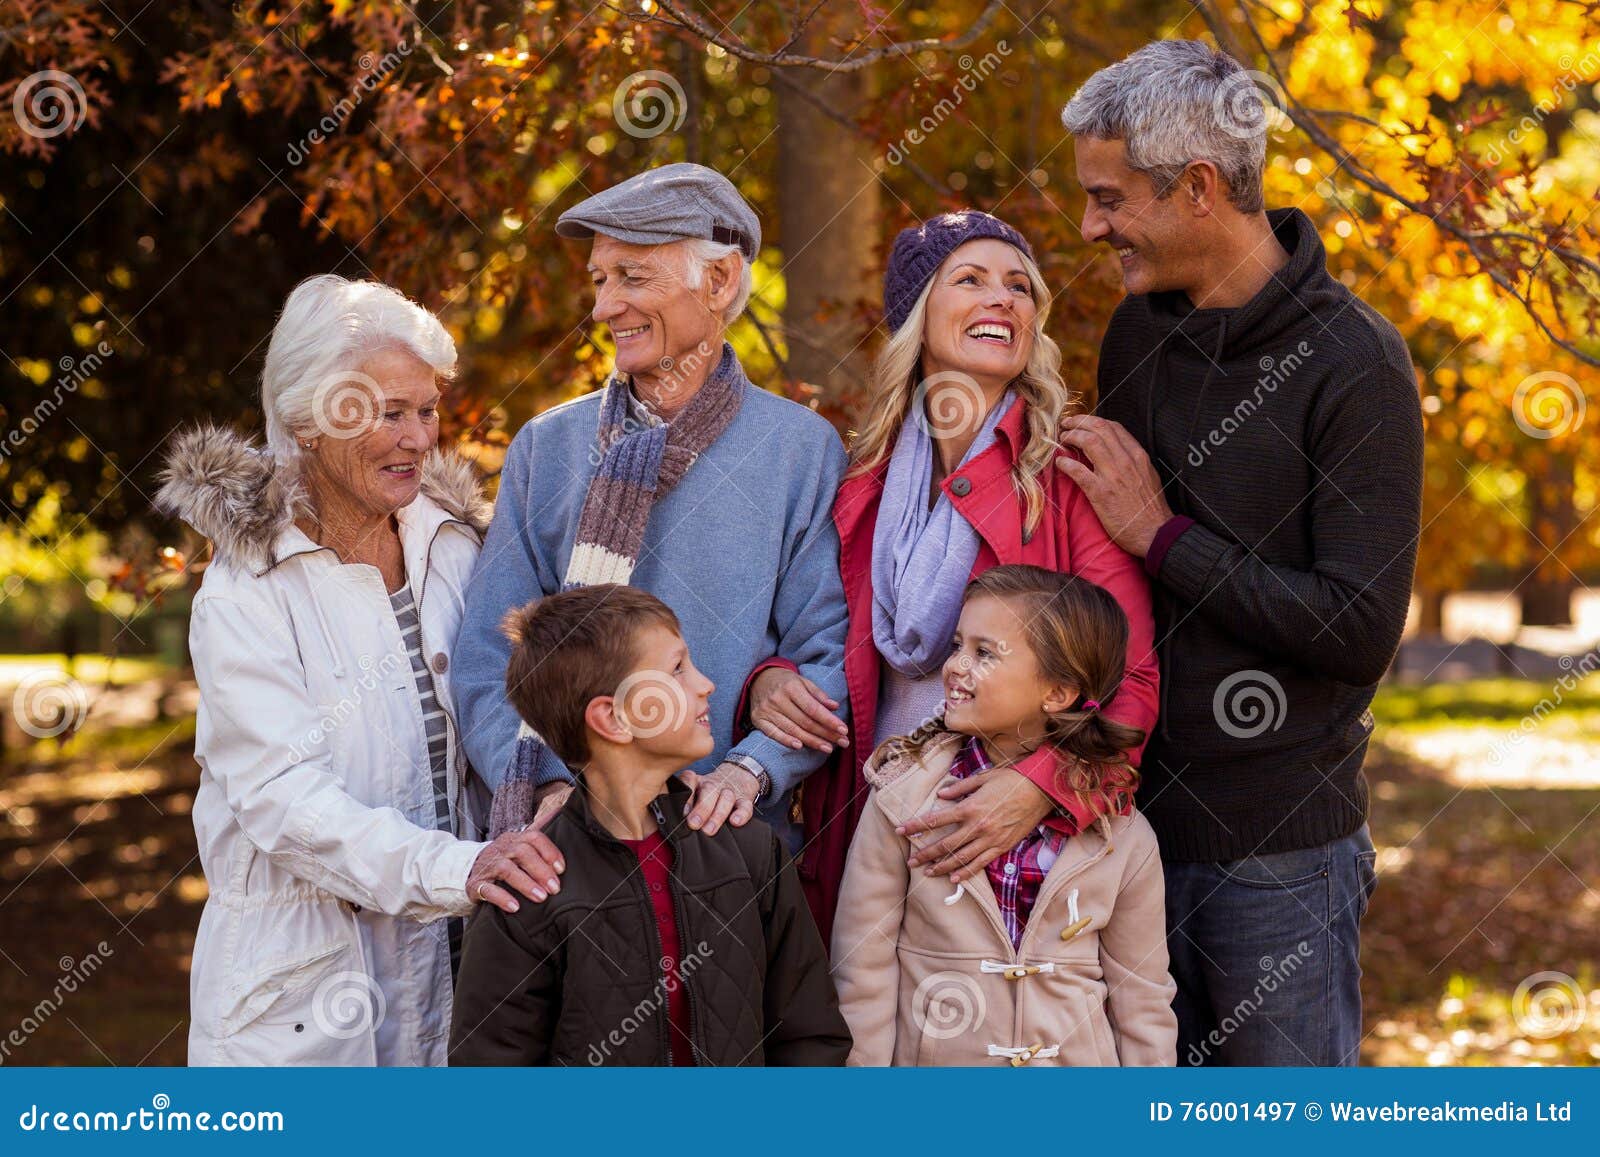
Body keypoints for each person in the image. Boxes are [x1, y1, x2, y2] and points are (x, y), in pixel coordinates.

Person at [1057, 40, 1421, 1065]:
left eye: (1108, 197)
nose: (1090, 227)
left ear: (1199, 187)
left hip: (1280, 854)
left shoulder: (1357, 363)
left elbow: (1353, 628)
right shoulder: (1135, 336)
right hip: (1119, 828)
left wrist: (1160, 533)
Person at [157, 275, 565, 1066]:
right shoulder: (248, 592)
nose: (419, 437)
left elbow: (501, 711)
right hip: (300, 1010)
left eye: (427, 409)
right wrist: (460, 866)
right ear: (308, 419)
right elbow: (286, 805)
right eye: (388, 412)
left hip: (463, 971)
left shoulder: (454, 548)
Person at [739, 209, 1159, 941]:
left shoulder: (1066, 476)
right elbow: (811, 636)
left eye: (1020, 287)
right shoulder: (859, 482)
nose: (1004, 298)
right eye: (971, 280)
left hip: (1018, 848)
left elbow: (1132, 682)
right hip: (871, 828)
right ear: (917, 319)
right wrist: (770, 679)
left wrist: (1040, 788)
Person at [453, 163, 849, 850]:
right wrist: (548, 788)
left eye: (632, 277)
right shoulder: (547, 448)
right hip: (568, 850)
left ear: (719, 282)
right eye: (600, 281)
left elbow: (830, 652)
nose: (605, 307)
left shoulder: (801, 449)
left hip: (731, 851)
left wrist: (749, 771)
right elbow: (490, 657)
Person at [448, 585, 851, 1066]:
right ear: (614, 718)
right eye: (677, 670)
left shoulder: (751, 851)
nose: (706, 685)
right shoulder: (528, 889)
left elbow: (810, 1037)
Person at [831, 565, 1175, 1066]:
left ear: (1056, 693)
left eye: (984, 653)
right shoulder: (900, 802)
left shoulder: (1121, 834)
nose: (955, 667)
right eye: (957, 646)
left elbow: (1143, 999)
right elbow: (862, 971)